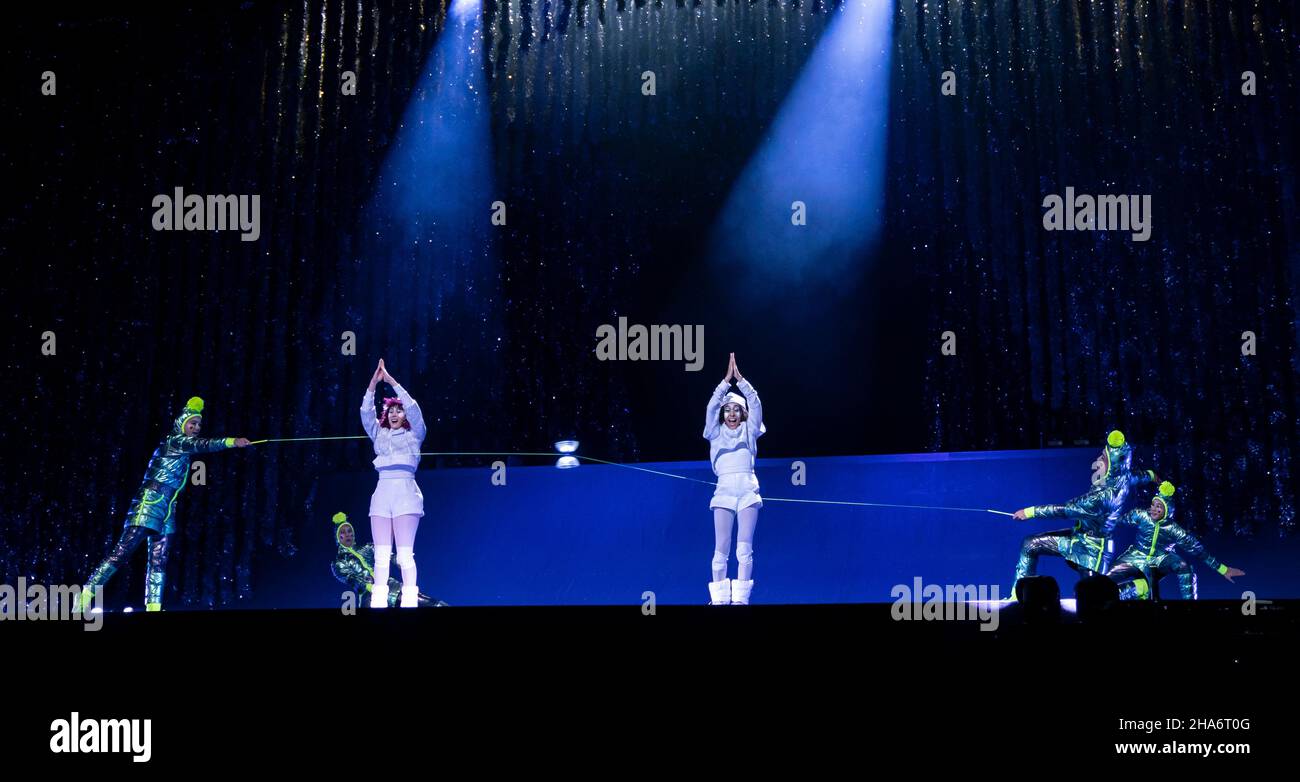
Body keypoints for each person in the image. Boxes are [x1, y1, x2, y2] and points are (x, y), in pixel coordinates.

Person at [78, 396, 250, 612]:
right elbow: (203, 444)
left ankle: (153, 608)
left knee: (159, 561)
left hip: (167, 508)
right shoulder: (175, 441)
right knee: (123, 552)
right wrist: (232, 441)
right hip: (149, 502)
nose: (196, 427)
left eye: (198, 424)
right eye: (192, 423)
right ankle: (84, 596)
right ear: (181, 423)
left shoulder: (184, 447)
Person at [1008, 430, 1157, 597]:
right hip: (1078, 537)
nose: (1099, 459)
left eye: (1104, 457)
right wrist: (1152, 476)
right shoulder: (1124, 477)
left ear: (1113, 464)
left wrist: (1029, 512)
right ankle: (1016, 596)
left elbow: (1065, 510)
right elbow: (1139, 477)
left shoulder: (1102, 497)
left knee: (1097, 597)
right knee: (1030, 544)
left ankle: (1140, 586)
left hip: (1094, 550)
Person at [360, 359, 427, 607]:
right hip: (382, 494)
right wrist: (372, 386)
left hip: (406, 493)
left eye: (399, 410)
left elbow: (415, 410)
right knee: (380, 556)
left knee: (404, 556)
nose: (395, 414)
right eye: (391, 411)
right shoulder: (379, 434)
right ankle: (378, 602)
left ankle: (410, 601)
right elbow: (366, 415)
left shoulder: (414, 435)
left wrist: (391, 381)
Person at [1107, 482, 1244, 599]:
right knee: (1104, 583)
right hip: (1134, 556)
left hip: (1160, 560)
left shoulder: (1174, 530)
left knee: (1183, 566)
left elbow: (1199, 551)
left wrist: (1223, 569)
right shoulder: (1141, 515)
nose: (1154, 509)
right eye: (1153, 505)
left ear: (1166, 511)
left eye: (1159, 507)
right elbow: (1115, 521)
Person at [703, 353, 765, 606]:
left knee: (744, 549)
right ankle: (719, 601)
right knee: (721, 550)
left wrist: (741, 381)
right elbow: (710, 408)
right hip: (724, 491)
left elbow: (757, 404)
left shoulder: (749, 431)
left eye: (736, 409)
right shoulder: (714, 433)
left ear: (742, 413)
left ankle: (740, 601)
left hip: (748, 490)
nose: (731, 414)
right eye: (727, 409)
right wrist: (725, 382)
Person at [329, 512, 446, 607]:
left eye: (349, 531)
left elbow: (386, 553)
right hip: (368, 595)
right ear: (338, 537)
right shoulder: (338, 562)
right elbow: (351, 579)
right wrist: (368, 586)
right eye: (343, 532)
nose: (348, 534)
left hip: (388, 584)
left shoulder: (367, 547)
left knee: (421, 601)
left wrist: (401, 560)